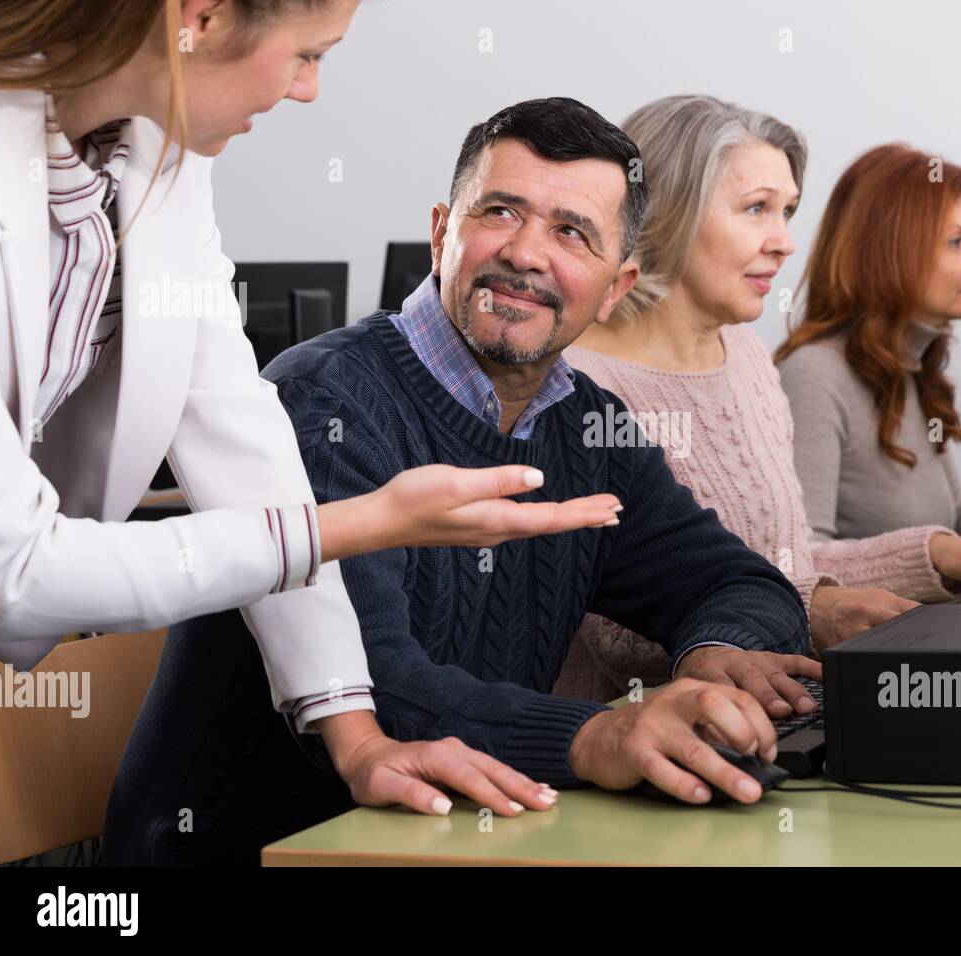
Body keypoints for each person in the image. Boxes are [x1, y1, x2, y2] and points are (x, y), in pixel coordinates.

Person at [104, 97, 820, 864]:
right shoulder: (327, 402)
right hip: (256, 851)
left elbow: (739, 580)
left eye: (572, 233)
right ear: (443, 231)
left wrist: (715, 649)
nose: (526, 254)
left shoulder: (586, 424)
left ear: (617, 287)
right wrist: (597, 734)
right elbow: (378, 688)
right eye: (501, 211)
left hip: (460, 841)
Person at [0, 0, 622, 818]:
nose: (310, 90)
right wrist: (367, 521)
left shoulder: (157, 152)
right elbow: (17, 575)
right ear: (203, 17)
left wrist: (356, 737)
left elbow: (236, 431)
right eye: (307, 54)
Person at [551, 98, 961, 699]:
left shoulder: (744, 356)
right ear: (668, 211)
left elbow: (791, 563)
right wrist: (808, 611)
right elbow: (606, 633)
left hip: (767, 699)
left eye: (788, 212)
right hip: (632, 734)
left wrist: (927, 558)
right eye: (756, 210)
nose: (785, 242)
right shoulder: (574, 386)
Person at [776, 143, 961, 578]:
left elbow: (955, 509)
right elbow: (799, 559)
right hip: (866, 643)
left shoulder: (904, 363)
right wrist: (934, 553)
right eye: (956, 241)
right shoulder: (814, 376)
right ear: (890, 253)